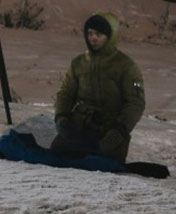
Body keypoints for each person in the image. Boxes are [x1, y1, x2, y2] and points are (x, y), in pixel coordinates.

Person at [50, 12, 145, 162]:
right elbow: (66, 93)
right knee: (58, 155)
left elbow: (135, 103)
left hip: (110, 129)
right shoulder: (79, 63)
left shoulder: (126, 66)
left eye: (99, 34)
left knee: (103, 161)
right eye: (90, 33)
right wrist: (61, 118)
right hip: (79, 126)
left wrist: (119, 131)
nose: (93, 38)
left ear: (109, 37)